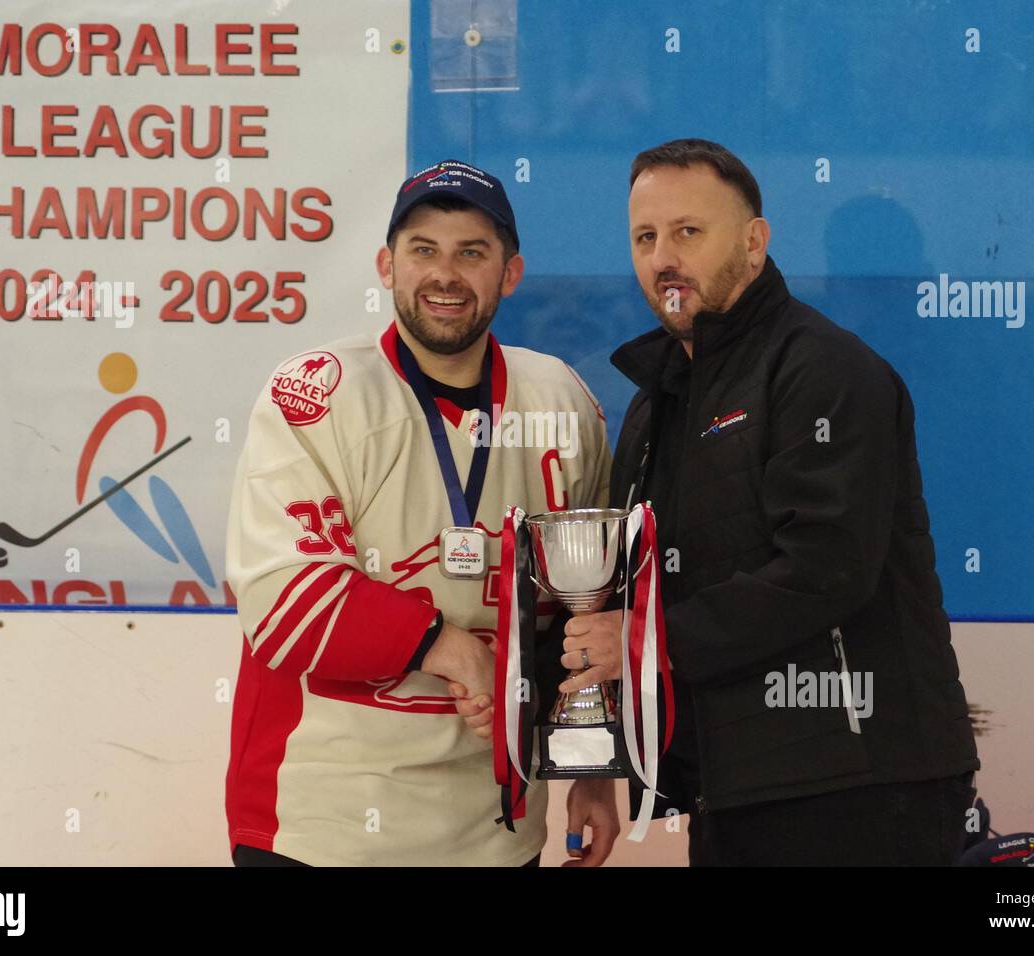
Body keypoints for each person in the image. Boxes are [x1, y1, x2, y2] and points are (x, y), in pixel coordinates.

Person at [561, 139, 980, 865]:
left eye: (689, 231)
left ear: (754, 243)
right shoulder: (655, 403)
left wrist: (641, 643)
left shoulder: (825, 369)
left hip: (861, 788)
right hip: (734, 790)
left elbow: (826, 568)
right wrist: (595, 765)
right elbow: (615, 602)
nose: (664, 256)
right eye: (646, 236)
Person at [223, 159, 617, 866]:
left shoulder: (560, 402)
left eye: (472, 252)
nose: (446, 274)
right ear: (386, 264)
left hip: (497, 831)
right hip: (322, 826)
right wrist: (455, 648)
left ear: (511, 273)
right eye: (423, 250)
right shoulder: (315, 395)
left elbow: (587, 611)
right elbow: (282, 602)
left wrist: (589, 767)